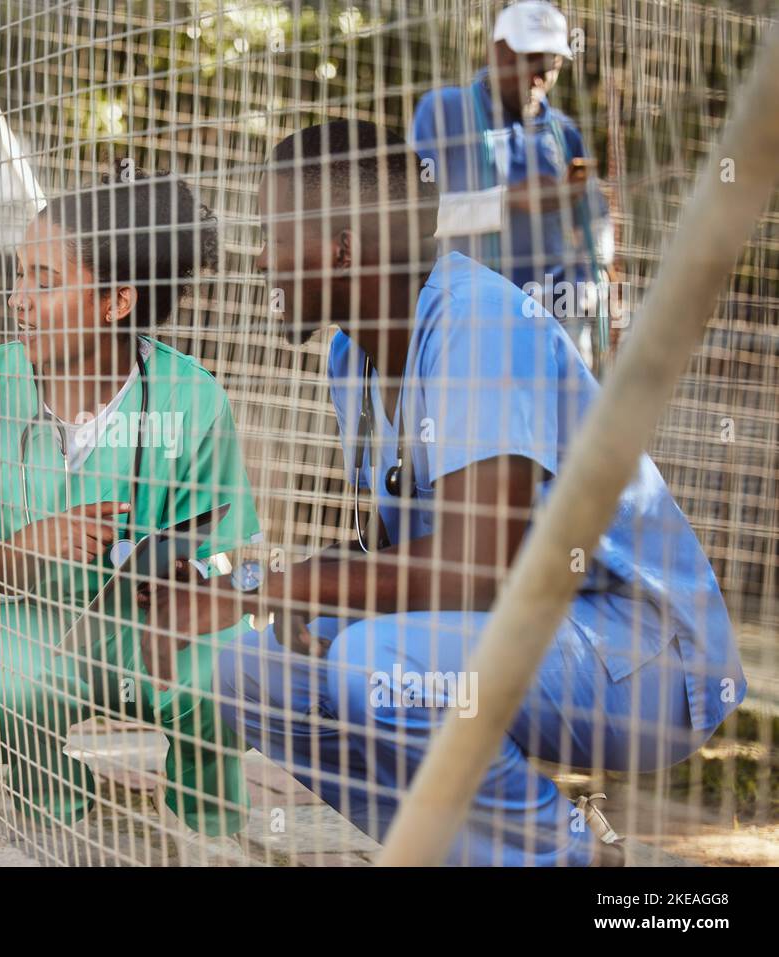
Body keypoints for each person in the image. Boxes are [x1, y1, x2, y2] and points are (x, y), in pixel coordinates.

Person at [138, 120, 746, 866]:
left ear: (341, 247)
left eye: (274, 233)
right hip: (522, 638)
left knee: (374, 663)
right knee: (249, 670)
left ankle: (568, 856)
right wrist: (254, 586)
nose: (262, 258)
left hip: (644, 659)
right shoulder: (348, 355)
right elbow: (401, 561)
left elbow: (470, 569)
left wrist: (278, 588)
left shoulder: (479, 322)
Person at [0, 168, 261, 857]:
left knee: (230, 663)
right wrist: (28, 547)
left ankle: (207, 816)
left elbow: (239, 554)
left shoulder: (192, 401)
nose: (17, 300)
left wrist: (196, 582)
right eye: (20, 275)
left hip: (144, 625)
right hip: (24, 619)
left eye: (44, 281)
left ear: (116, 301)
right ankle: (54, 800)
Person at [410, 1, 614, 361]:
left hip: (547, 318)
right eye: (528, 60)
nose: (538, 77)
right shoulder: (444, 111)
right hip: (464, 317)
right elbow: (415, 215)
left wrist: (588, 286)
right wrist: (508, 202)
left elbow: (595, 223)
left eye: (550, 65)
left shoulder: (562, 133)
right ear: (497, 53)